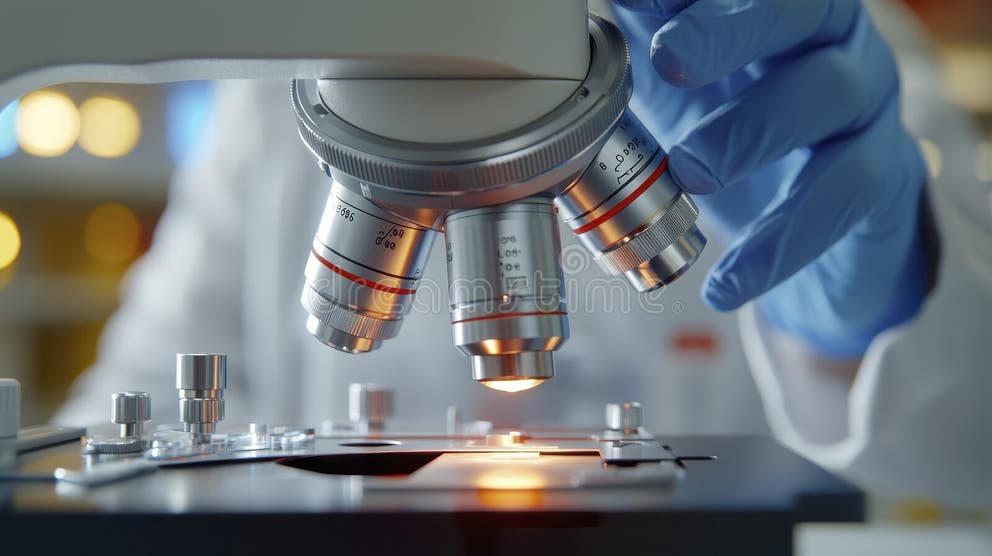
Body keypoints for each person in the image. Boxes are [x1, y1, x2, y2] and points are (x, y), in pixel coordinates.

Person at [56, 0, 991, 509]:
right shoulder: (270, 98)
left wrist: (893, 309)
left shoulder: (791, 40)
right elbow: (116, 447)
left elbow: (973, 458)